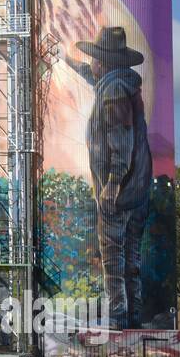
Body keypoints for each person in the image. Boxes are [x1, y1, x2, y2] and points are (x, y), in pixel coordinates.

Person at [66, 26, 153, 330]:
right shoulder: (120, 84)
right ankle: (132, 317)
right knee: (131, 259)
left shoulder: (114, 92)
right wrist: (69, 62)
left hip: (119, 190)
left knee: (112, 258)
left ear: (103, 62)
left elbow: (122, 139)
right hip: (140, 187)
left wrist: (112, 185)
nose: (90, 63)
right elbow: (94, 79)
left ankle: (117, 320)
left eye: (92, 59)